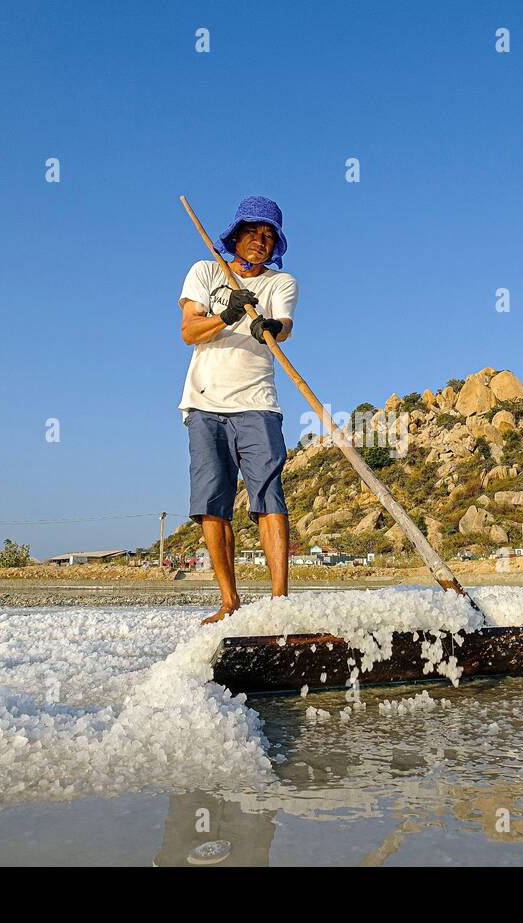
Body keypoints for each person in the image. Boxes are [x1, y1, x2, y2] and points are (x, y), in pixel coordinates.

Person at [177, 196, 297, 624]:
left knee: (270, 498)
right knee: (212, 503)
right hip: (204, 403)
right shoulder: (205, 271)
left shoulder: (281, 284)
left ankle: (279, 604)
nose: (260, 242)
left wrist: (270, 327)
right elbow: (189, 331)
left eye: (269, 236)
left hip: (258, 405)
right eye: (253, 232)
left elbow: (284, 327)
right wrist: (226, 314)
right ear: (236, 235)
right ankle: (229, 602)